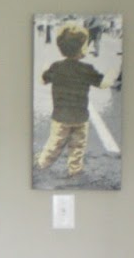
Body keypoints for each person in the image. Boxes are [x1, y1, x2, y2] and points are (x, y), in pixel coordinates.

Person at [35, 23, 104, 178]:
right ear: (82, 48)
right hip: (81, 116)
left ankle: (42, 163)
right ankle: (75, 170)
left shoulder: (56, 67)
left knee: (55, 144)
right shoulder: (87, 68)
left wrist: (45, 69)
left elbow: (43, 80)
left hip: (61, 116)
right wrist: (112, 76)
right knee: (78, 146)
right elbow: (102, 83)